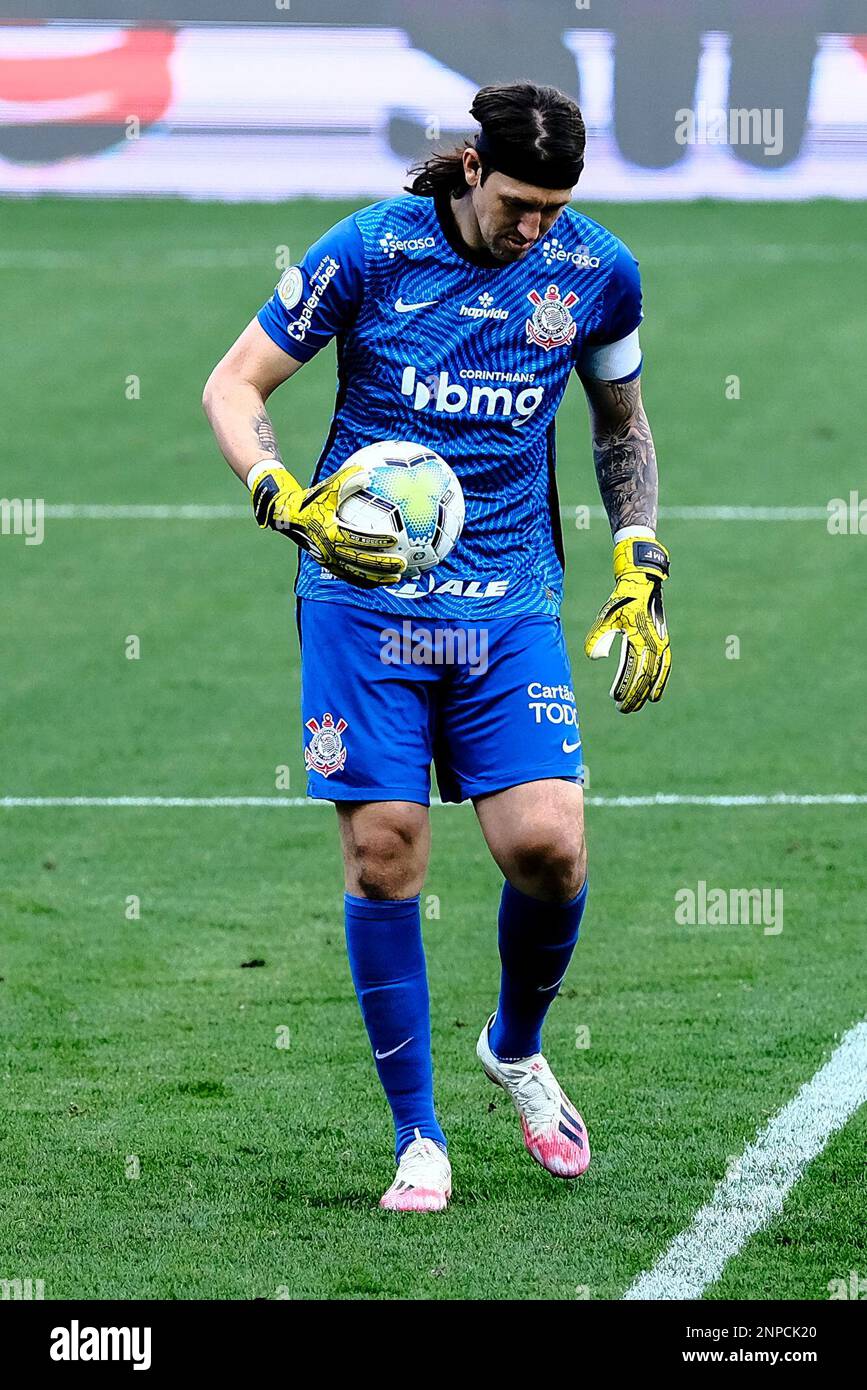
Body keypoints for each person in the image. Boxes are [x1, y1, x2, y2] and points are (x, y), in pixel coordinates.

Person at [202, 81, 671, 1213]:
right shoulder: (368, 250)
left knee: (549, 849)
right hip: (363, 596)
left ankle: (514, 1045)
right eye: (520, 203)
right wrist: (283, 496)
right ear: (471, 168)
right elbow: (235, 384)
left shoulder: (596, 273)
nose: (536, 228)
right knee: (387, 853)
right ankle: (419, 1137)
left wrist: (641, 563)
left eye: (556, 207)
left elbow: (624, 428)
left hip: (509, 599)